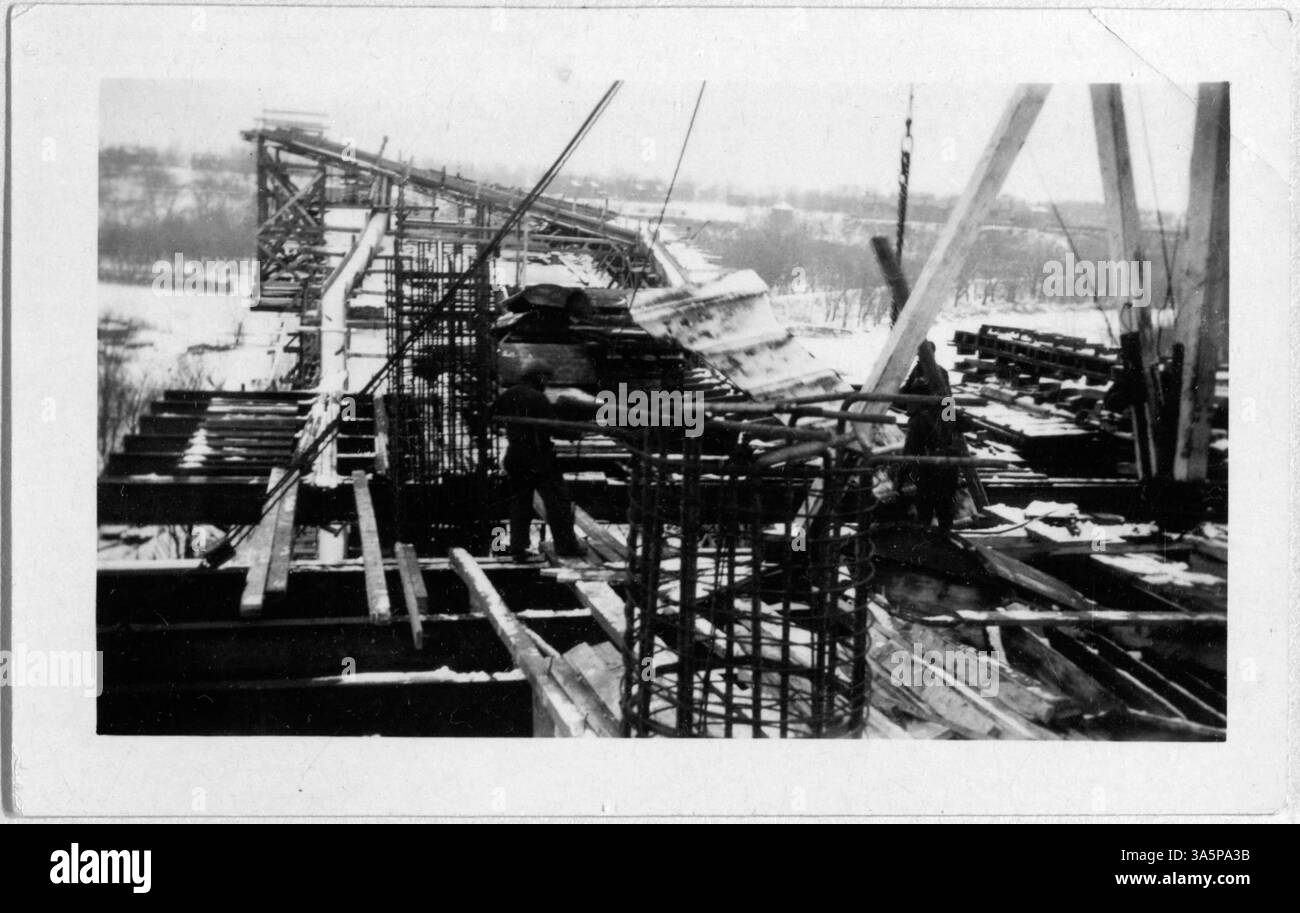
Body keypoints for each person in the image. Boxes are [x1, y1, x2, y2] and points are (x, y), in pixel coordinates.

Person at [492, 366, 584, 561]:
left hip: (515, 455)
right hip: (538, 457)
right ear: (539, 377)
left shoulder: (508, 394)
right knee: (558, 501)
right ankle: (566, 546)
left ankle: (518, 548)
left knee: (520, 503)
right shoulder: (537, 397)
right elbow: (551, 426)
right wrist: (574, 433)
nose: (547, 383)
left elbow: (493, 414)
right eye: (546, 379)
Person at [901, 379, 962, 533]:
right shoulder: (946, 411)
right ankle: (944, 536)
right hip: (949, 467)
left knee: (925, 508)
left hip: (928, 469)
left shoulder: (918, 420)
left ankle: (925, 538)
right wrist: (950, 407)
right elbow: (965, 424)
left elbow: (909, 452)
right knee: (945, 507)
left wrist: (899, 481)